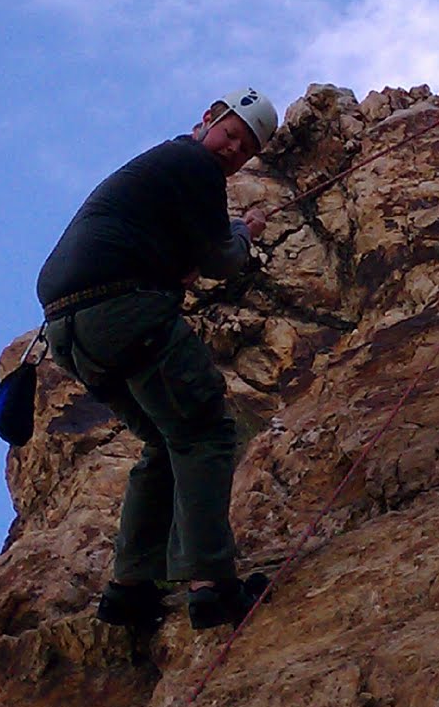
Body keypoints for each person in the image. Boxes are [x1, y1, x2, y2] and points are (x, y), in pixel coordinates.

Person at [36, 88, 278, 630]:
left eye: (244, 150)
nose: (231, 151)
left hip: (69, 331)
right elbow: (220, 259)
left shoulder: (160, 168)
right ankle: (212, 584)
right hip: (123, 313)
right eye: (231, 134)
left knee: (165, 441)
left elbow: (179, 249)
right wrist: (244, 235)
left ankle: (130, 589)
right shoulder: (192, 164)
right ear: (208, 120)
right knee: (206, 432)